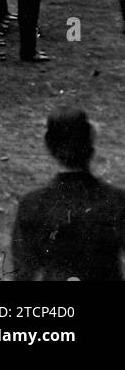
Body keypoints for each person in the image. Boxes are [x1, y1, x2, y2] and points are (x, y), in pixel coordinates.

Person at [11, 107, 125, 281]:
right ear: (90, 143)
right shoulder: (116, 201)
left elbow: (22, 274)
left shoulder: (32, 204)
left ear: (49, 146)